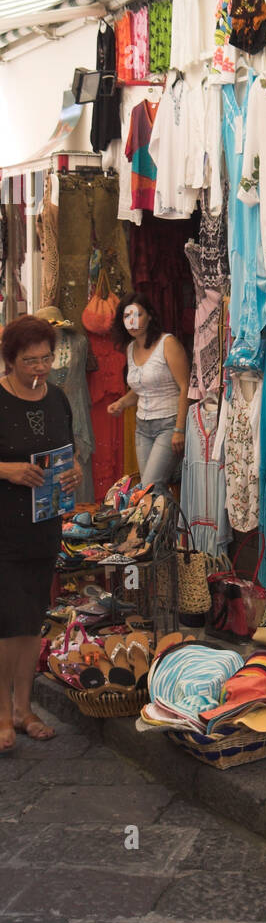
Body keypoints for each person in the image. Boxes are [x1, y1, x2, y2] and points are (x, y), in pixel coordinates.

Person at [0, 314, 83, 752]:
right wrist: (7, 470)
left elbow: (67, 456)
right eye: (30, 361)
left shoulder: (57, 399)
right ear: (10, 361)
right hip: (3, 529)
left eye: (46, 358)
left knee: (31, 619)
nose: (40, 368)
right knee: (5, 621)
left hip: (43, 526)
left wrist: (73, 474)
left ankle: (24, 709)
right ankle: (2, 714)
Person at [108, 295, 190, 485]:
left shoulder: (167, 343)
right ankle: (167, 516)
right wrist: (120, 403)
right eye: (127, 316)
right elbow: (141, 389)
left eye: (137, 314)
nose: (132, 321)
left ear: (150, 316)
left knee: (150, 485)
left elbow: (185, 386)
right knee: (150, 492)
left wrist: (179, 429)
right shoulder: (130, 349)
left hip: (168, 424)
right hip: (142, 428)